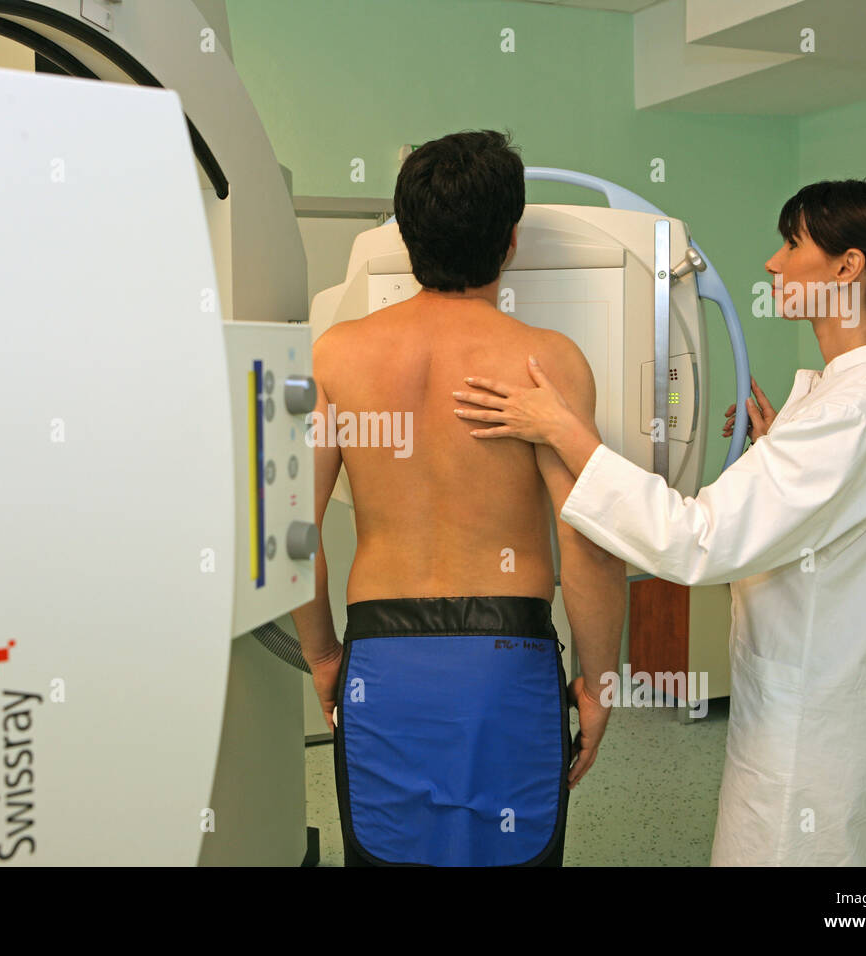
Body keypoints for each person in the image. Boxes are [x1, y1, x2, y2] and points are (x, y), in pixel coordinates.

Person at [453, 177, 866, 865]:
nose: (773, 264)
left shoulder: (854, 411)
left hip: (819, 718)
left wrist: (564, 431)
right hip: (833, 692)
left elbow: (695, 540)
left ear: (847, 267)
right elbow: (840, 506)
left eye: (792, 244)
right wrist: (779, 449)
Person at [289, 130, 625, 867]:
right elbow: (588, 542)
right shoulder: (548, 359)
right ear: (508, 242)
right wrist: (598, 685)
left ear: (405, 237)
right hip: (507, 655)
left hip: (383, 655)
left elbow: (287, 533)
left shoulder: (334, 356)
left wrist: (320, 655)